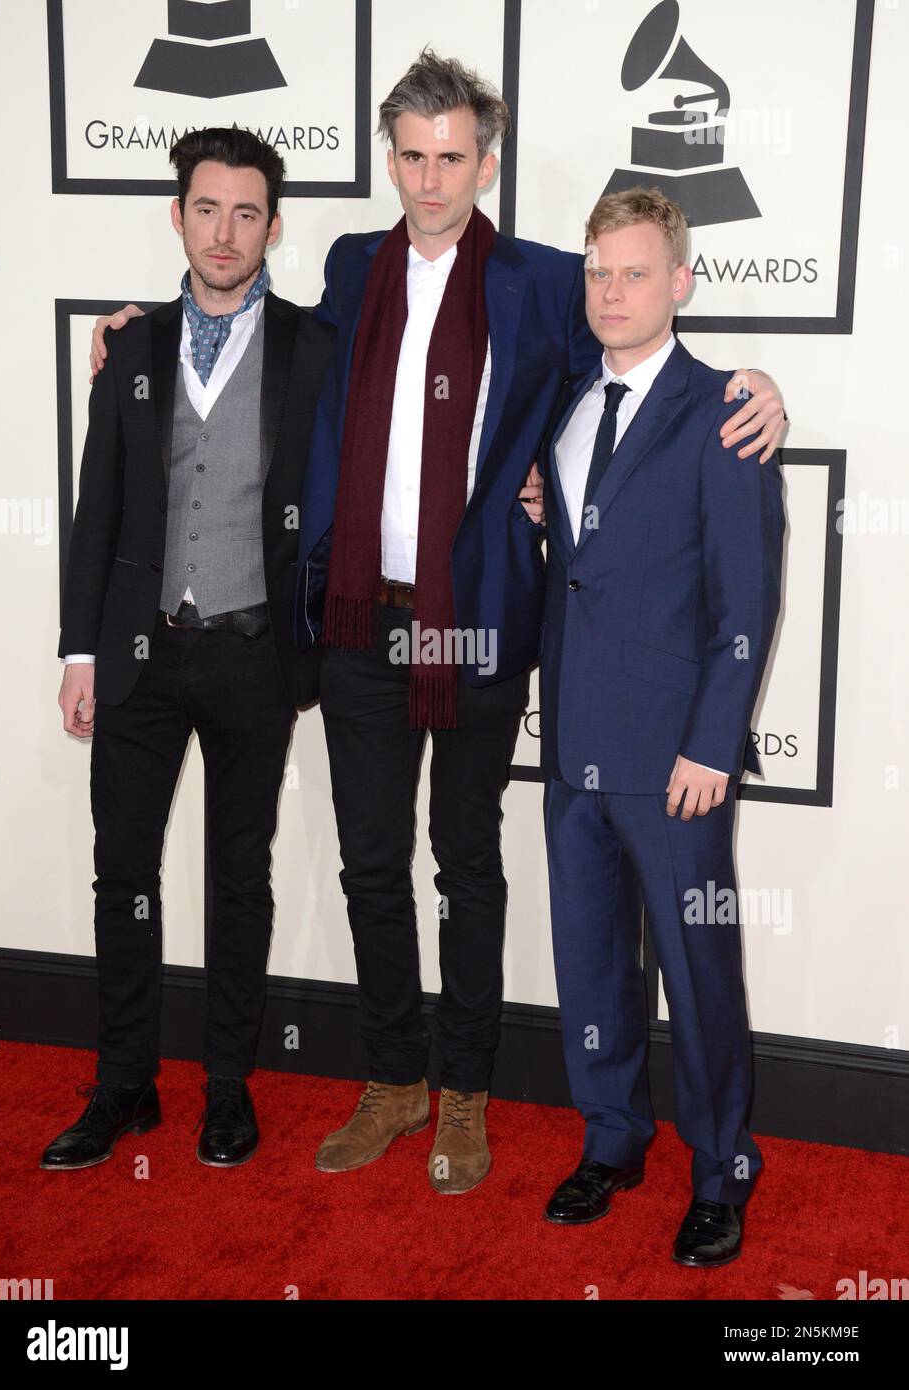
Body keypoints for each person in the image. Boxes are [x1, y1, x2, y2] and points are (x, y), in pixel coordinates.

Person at [91, 50, 787, 1197]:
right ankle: (395, 1077)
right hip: (363, 626)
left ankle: (464, 1091)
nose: (429, 179)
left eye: (451, 157)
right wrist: (139, 332)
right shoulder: (354, 267)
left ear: (485, 160)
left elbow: (633, 370)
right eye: (410, 156)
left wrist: (754, 388)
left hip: (477, 631)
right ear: (389, 158)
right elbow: (260, 346)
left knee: (464, 863)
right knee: (371, 862)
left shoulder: (544, 281)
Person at [46, 128, 334, 1172]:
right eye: (205, 208)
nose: (224, 230)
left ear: (271, 225)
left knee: (237, 874)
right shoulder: (129, 347)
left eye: (246, 212)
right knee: (121, 870)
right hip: (139, 652)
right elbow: (97, 511)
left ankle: (226, 1086)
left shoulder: (315, 349)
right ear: (178, 215)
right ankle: (123, 1085)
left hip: (256, 657)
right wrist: (76, 650)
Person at [538, 186, 785, 1266]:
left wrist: (708, 743)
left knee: (698, 967)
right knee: (589, 963)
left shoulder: (724, 409)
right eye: (597, 270)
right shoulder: (566, 402)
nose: (610, 290)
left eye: (633, 272)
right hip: (573, 742)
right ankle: (611, 1139)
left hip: (672, 756)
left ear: (679, 282)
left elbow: (747, 603)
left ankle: (722, 1166)